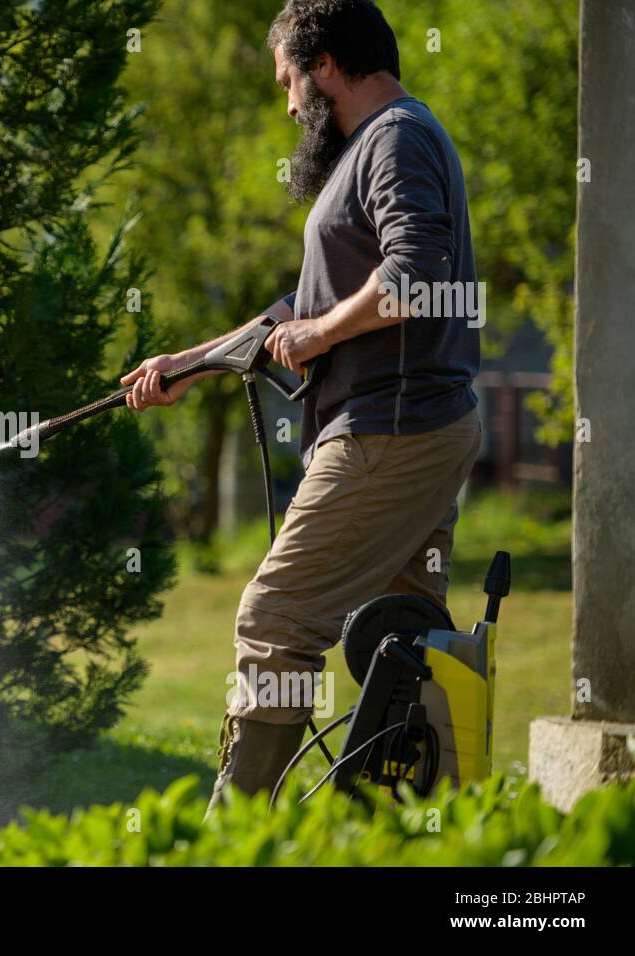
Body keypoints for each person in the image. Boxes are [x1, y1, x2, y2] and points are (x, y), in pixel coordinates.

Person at [120, 0, 483, 814]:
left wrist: (321, 332)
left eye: (289, 80)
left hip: (391, 427)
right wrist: (194, 363)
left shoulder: (394, 138)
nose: (287, 104)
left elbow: (412, 276)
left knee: (276, 615)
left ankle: (237, 836)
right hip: (414, 426)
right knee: (407, 635)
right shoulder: (379, 147)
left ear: (325, 66)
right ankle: (433, 826)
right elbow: (307, 305)